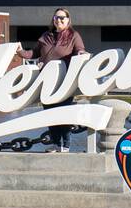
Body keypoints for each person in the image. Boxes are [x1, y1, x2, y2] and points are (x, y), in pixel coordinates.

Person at [21, 8, 87, 153]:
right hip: (47, 82)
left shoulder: (73, 35)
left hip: (64, 81)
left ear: (68, 20)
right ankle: (56, 144)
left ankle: (66, 145)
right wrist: (20, 52)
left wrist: (82, 54)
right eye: (56, 17)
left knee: (63, 113)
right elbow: (35, 53)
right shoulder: (46, 36)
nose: (59, 20)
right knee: (50, 114)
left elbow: (79, 50)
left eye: (63, 18)